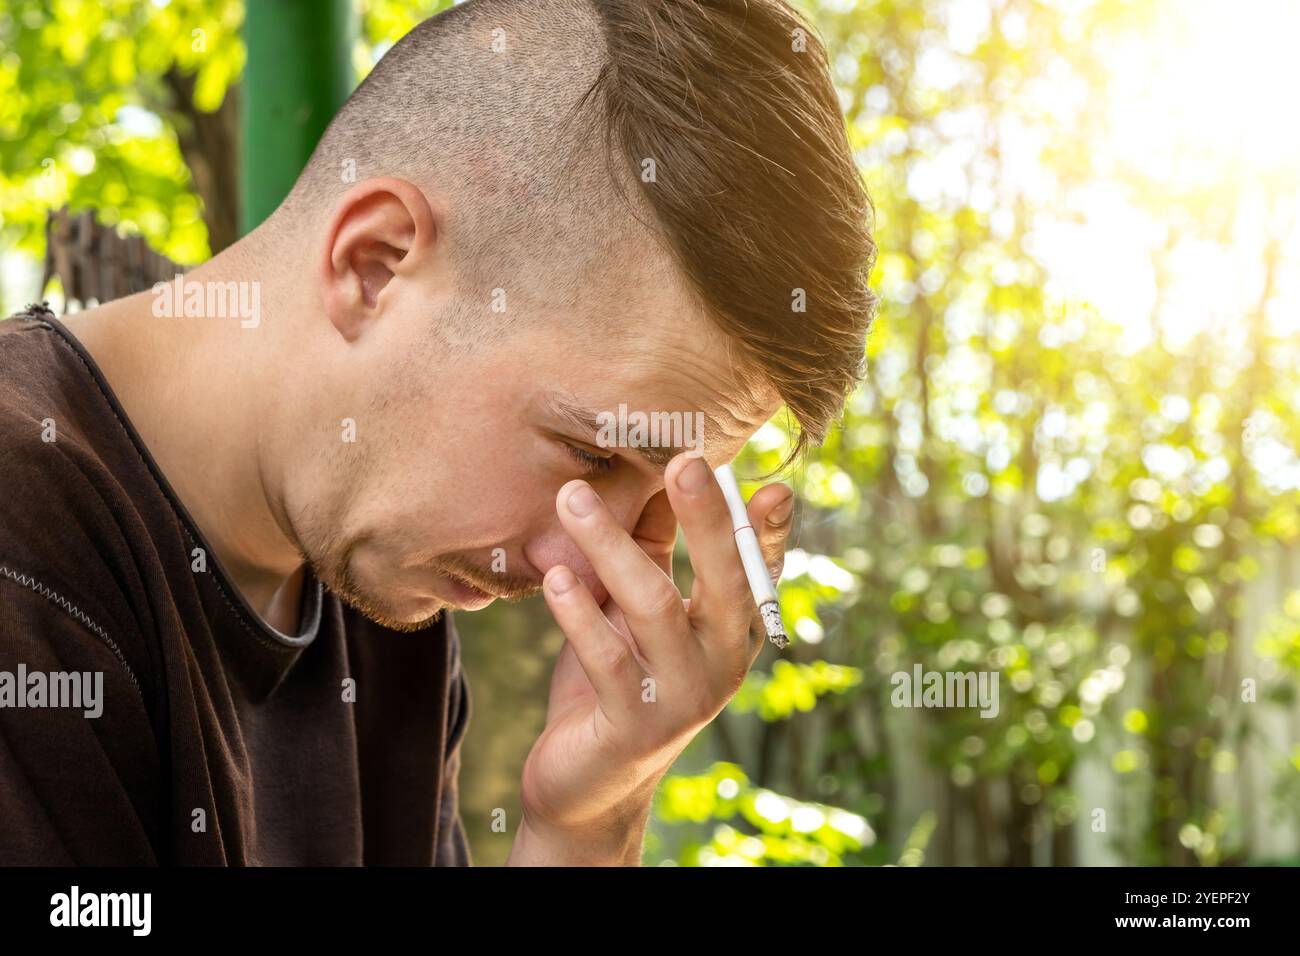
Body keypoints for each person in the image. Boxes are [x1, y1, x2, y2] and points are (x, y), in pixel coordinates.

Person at [0, 0, 876, 865]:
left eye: (651, 503)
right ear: (372, 265)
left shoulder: (378, 584)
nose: (575, 569)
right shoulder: (23, 540)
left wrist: (586, 821)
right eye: (591, 453)